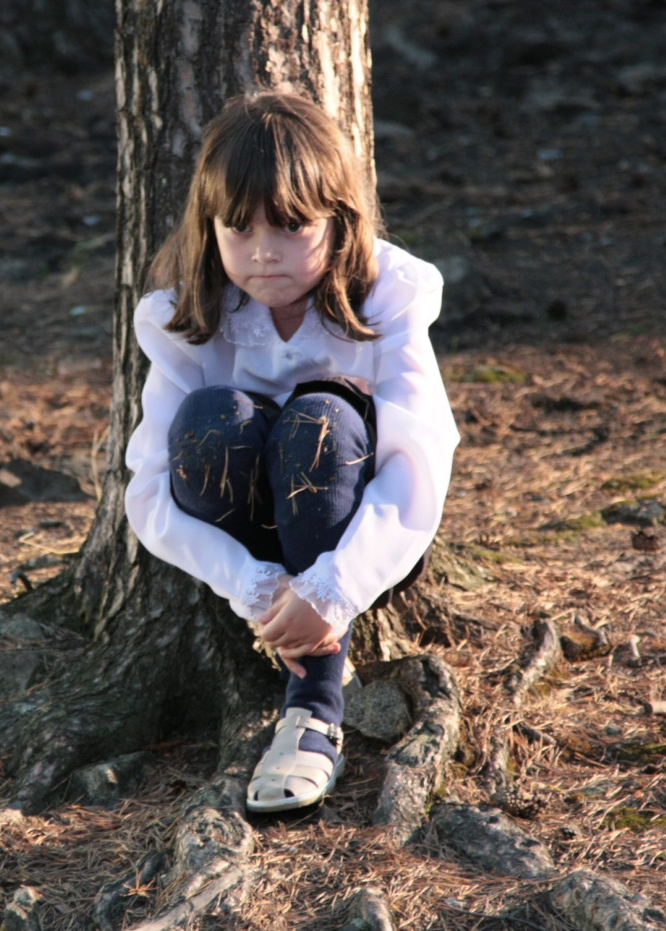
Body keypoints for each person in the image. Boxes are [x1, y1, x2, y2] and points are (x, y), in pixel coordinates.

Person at [123, 91, 459, 812]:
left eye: (290, 226)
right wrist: (257, 585)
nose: (263, 252)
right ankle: (291, 642)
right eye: (237, 229)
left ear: (338, 220)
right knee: (213, 417)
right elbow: (148, 490)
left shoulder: (387, 294)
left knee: (318, 422)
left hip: (353, 523)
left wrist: (333, 589)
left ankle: (314, 703)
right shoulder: (190, 315)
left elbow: (420, 457)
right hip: (251, 554)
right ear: (208, 226)